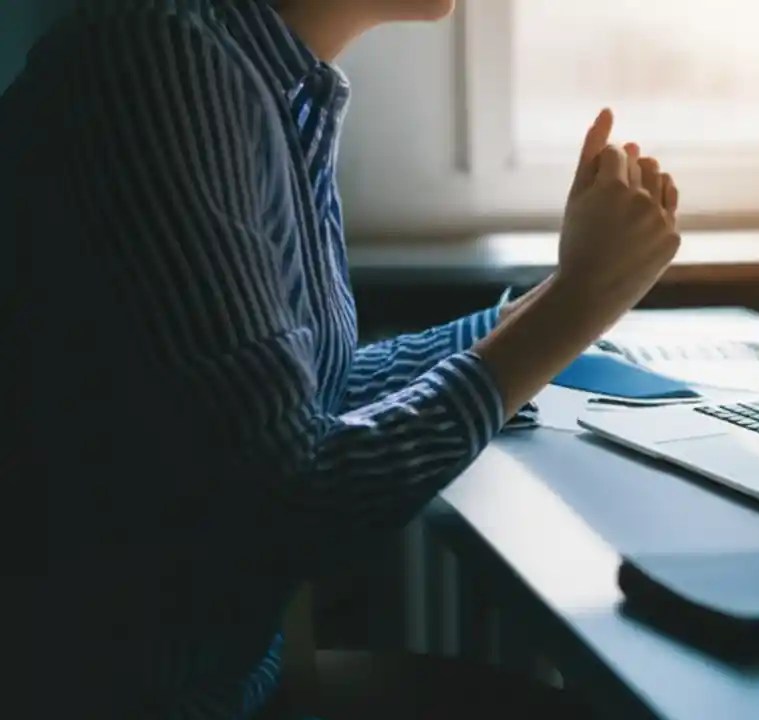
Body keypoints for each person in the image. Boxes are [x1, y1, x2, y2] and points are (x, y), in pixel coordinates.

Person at [7, 0, 681, 717]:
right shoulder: (162, 66)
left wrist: (531, 314)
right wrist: (573, 306)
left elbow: (307, 398)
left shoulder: (263, 81)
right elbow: (284, 501)